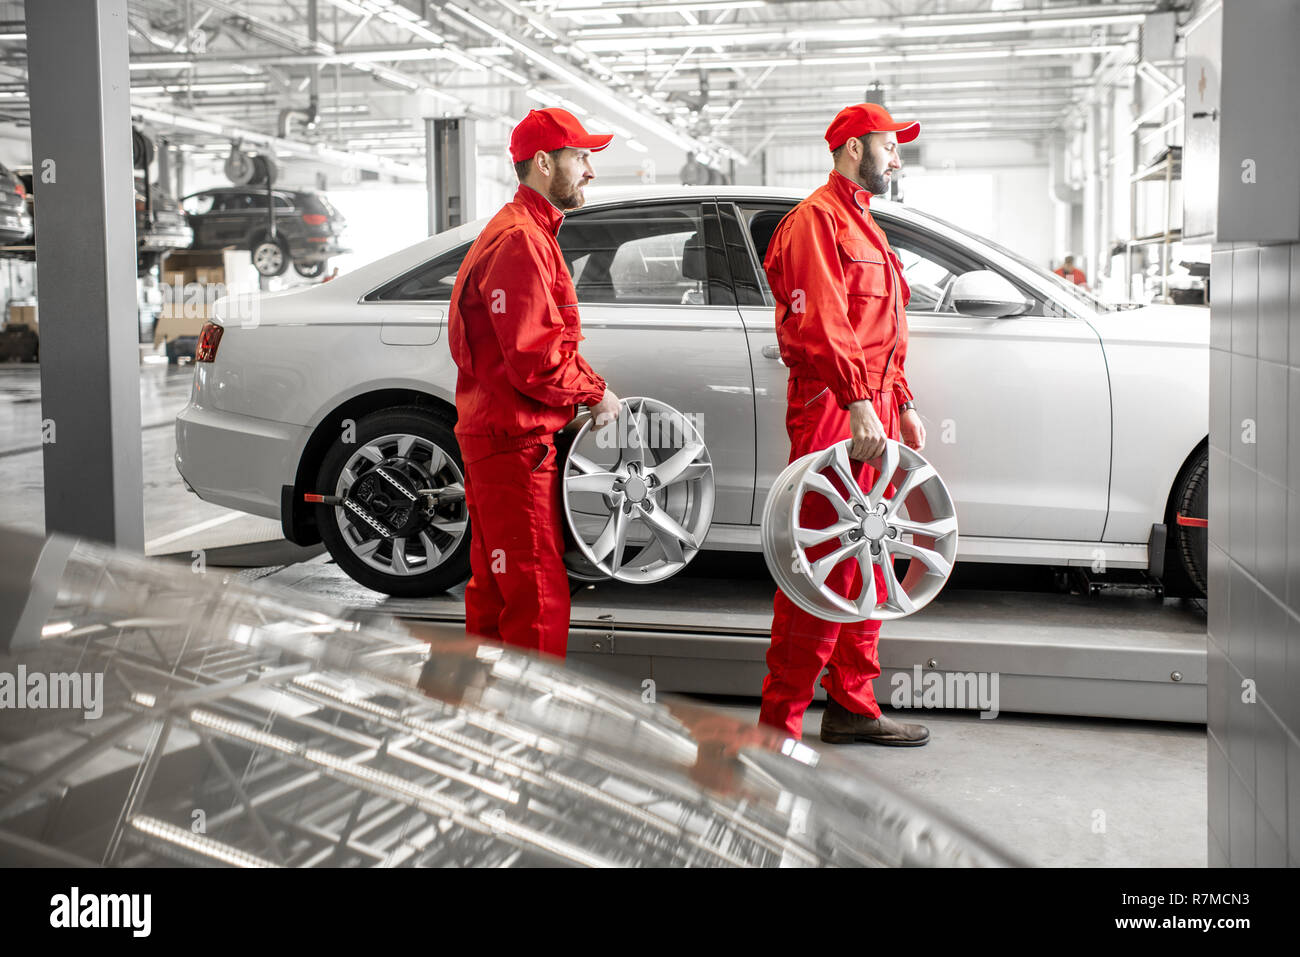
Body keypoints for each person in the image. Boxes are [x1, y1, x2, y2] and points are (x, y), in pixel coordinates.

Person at [759, 102, 931, 746]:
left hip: (871, 404)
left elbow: (882, 331)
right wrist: (859, 399)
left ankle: (852, 705)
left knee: (870, 550)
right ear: (854, 147)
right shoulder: (816, 222)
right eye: (890, 146)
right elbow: (824, 321)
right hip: (835, 403)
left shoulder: (865, 225)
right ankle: (779, 726)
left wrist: (901, 402)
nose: (897, 159)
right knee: (823, 557)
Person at [447, 107, 620, 658]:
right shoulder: (521, 239)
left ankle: (483, 702)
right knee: (536, 597)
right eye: (581, 157)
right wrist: (595, 392)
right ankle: (533, 711)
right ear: (544, 163)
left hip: (498, 438)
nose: (590, 170)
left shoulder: (524, 230)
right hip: (514, 443)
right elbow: (536, 358)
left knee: (496, 589)